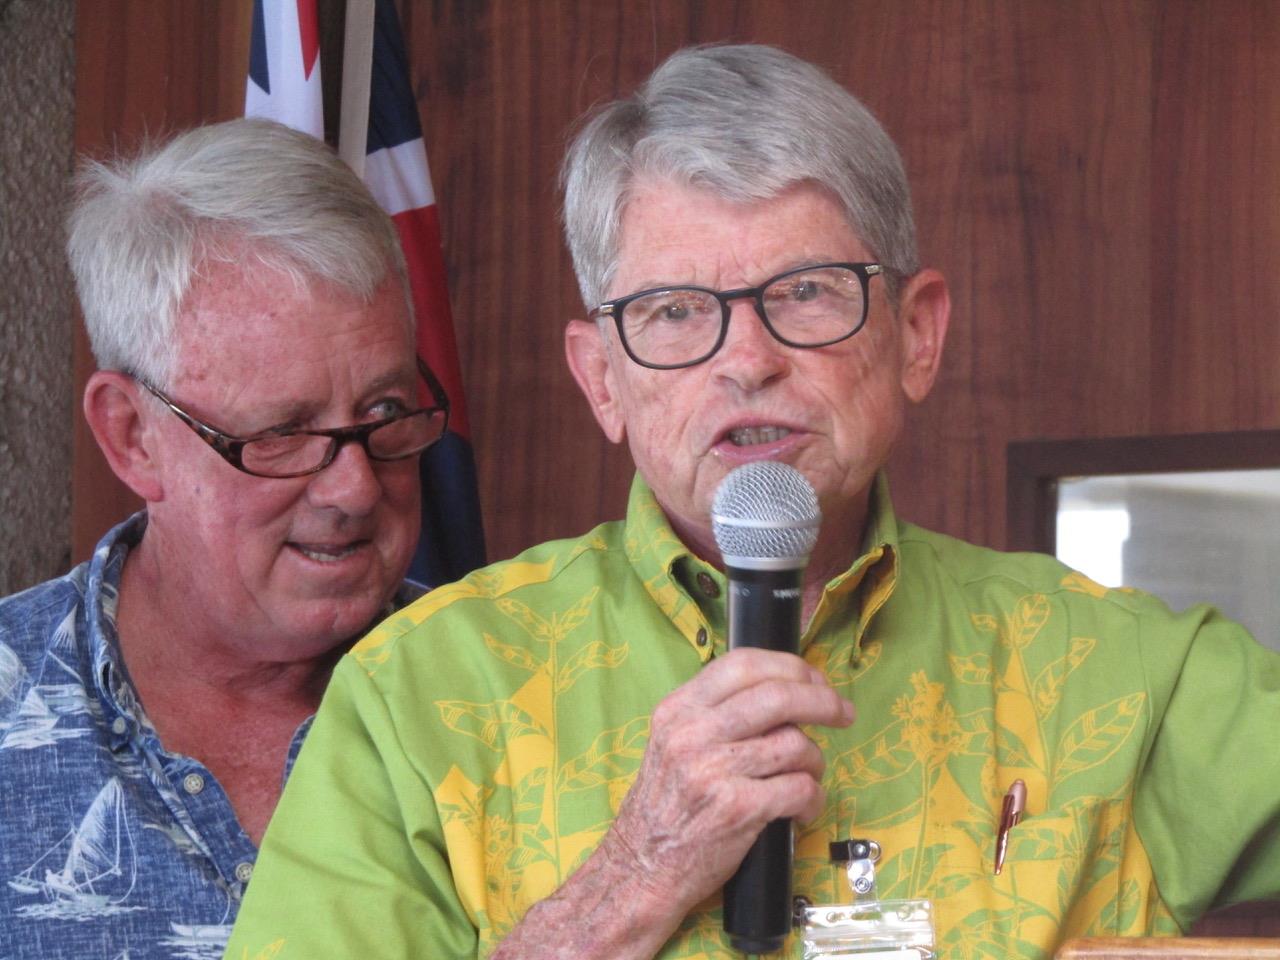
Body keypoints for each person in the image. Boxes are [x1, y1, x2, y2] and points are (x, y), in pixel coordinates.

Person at [225, 45, 1280, 959]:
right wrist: (629, 877)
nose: (747, 359)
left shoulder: (1112, 669)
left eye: (805, 292)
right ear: (601, 380)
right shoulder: (419, 694)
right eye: (675, 311)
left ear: (917, 335)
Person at [0, 118, 451, 959]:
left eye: (385, 411)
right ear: (132, 436)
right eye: (282, 433)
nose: (355, 488)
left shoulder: (512, 687)